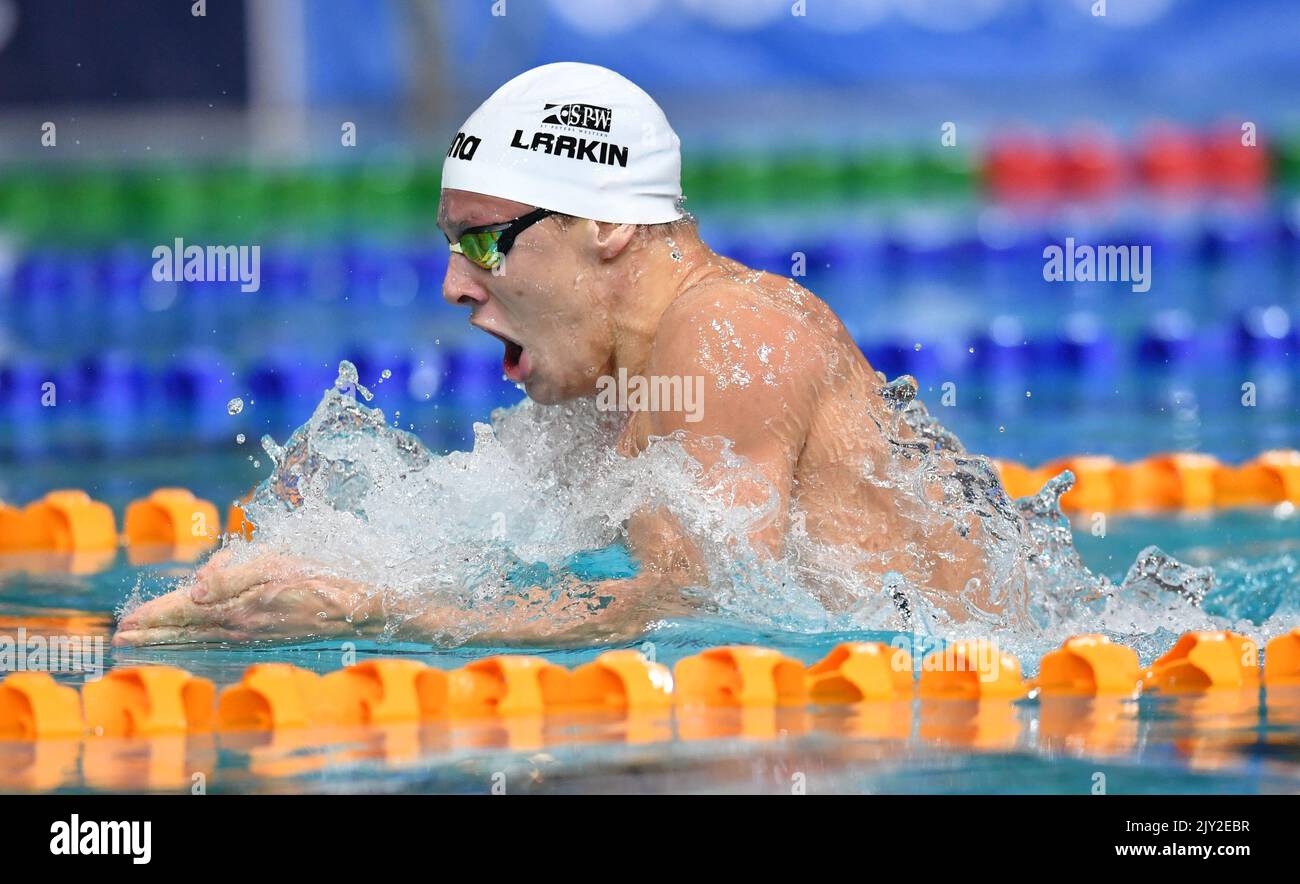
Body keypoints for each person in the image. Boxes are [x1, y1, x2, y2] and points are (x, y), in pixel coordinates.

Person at [114, 62, 990, 648]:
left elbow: (698, 605)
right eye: (451, 247)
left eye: (486, 243)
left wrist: (370, 609)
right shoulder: (607, 383)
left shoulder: (733, 333)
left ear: (607, 223)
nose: (457, 285)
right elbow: (478, 537)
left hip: (924, 728)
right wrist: (306, 571)